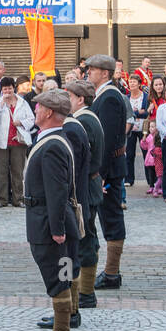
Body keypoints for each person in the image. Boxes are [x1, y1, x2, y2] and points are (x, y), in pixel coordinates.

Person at [25, 90, 82, 331]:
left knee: (57, 276)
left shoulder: (53, 145)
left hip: (48, 222)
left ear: (48, 113)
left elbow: (57, 192)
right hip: (54, 220)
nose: (35, 110)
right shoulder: (56, 139)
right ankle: (66, 320)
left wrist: (57, 229)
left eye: (38, 107)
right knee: (65, 271)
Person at [86, 55, 129, 288]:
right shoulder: (103, 95)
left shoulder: (110, 96)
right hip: (107, 169)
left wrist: (99, 174)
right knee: (106, 217)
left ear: (105, 73)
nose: (88, 73)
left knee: (111, 218)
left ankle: (112, 273)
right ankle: (110, 272)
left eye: (92, 70)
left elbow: (107, 139)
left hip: (108, 171)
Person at [62, 80, 103, 308]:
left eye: (69, 96)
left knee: (82, 241)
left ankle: (82, 296)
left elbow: (78, 163)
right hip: (90, 186)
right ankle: (85, 293)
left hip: (84, 189)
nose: (66, 101)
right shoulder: (87, 118)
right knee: (87, 237)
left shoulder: (82, 122)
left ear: (80, 99)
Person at [0, 75, 33, 207]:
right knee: (1, 171)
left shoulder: (22, 102)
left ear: (14, 88)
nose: (7, 92)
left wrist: (21, 122)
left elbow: (31, 119)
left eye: (10, 89)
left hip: (18, 141)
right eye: (5, 89)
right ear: (1, 90)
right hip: (1, 142)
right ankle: (2, 199)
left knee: (17, 171)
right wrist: (2, 104)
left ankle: (18, 198)